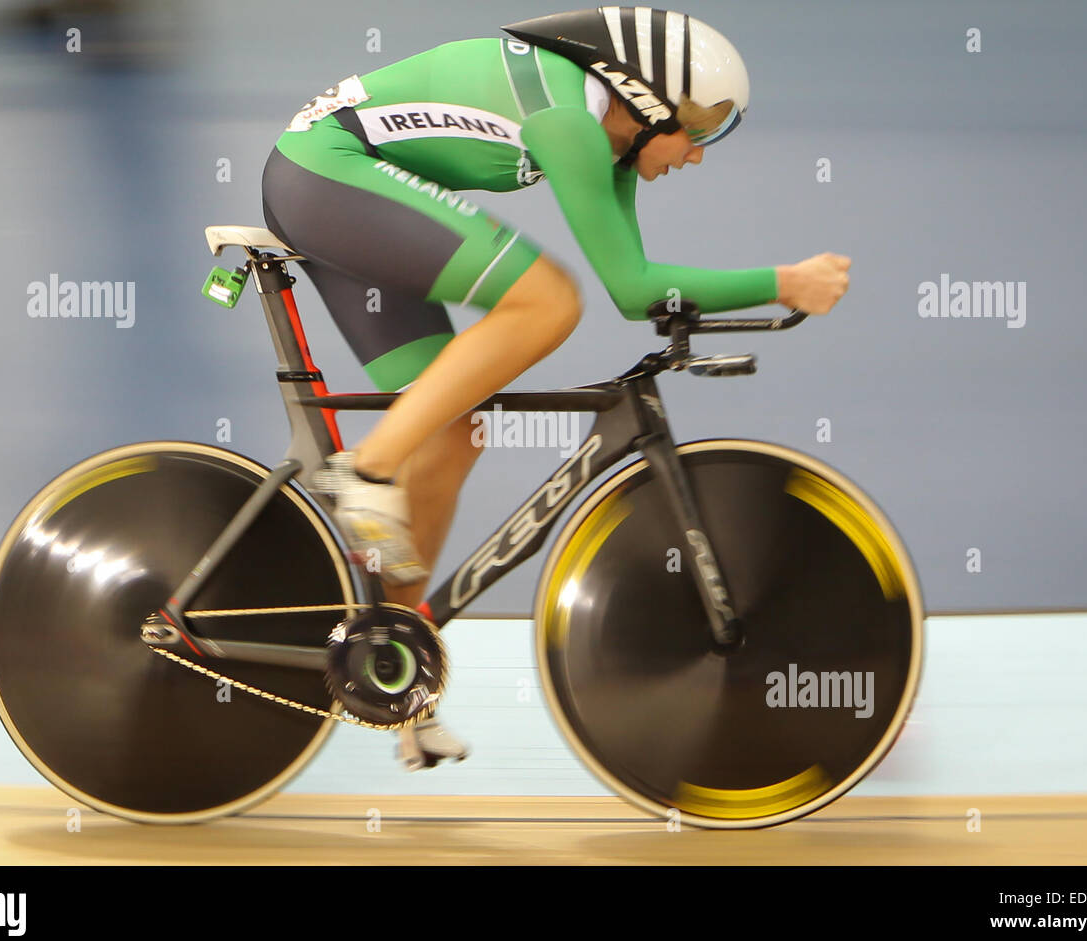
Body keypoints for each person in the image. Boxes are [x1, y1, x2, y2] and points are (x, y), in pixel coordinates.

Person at [261, 7, 850, 767]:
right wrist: (783, 281)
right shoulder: (569, 121)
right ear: (640, 99)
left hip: (333, 180)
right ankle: (366, 469)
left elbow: (639, 291)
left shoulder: (610, 139)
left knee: (450, 432)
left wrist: (764, 290)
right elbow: (621, 286)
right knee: (547, 299)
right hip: (327, 175)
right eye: (696, 127)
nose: (697, 154)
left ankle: (393, 673)